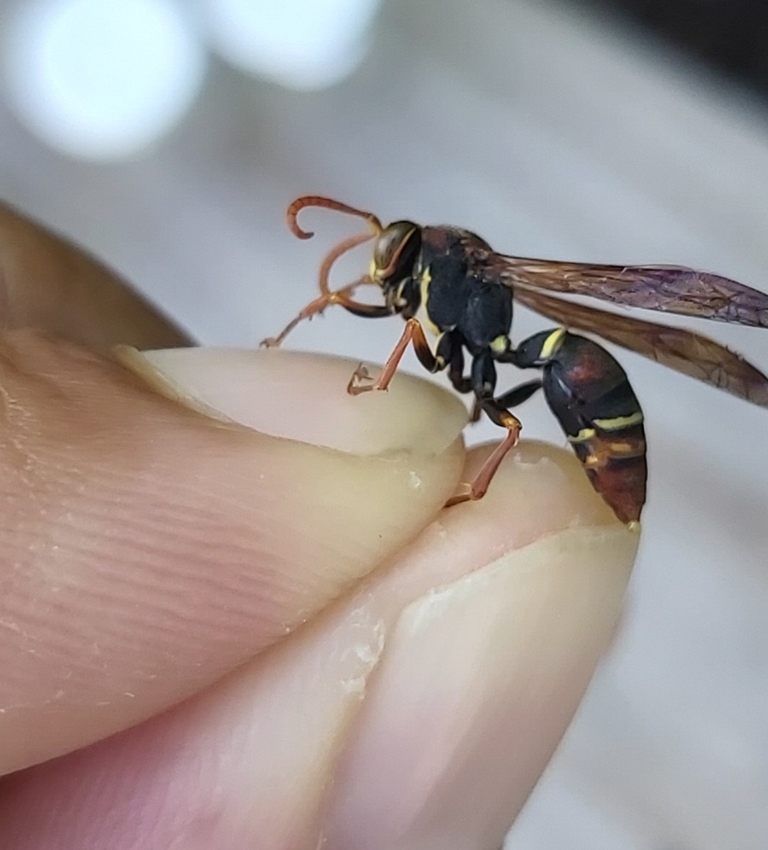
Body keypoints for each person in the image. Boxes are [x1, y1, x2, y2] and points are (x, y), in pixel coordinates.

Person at [0, 203, 638, 849]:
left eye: (386, 259)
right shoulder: (434, 304)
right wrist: (321, 305)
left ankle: (480, 490)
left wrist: (372, 369)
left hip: (579, 381)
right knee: (504, 435)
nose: (376, 270)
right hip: (554, 376)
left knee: (508, 429)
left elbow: (417, 335)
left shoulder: (457, 290)